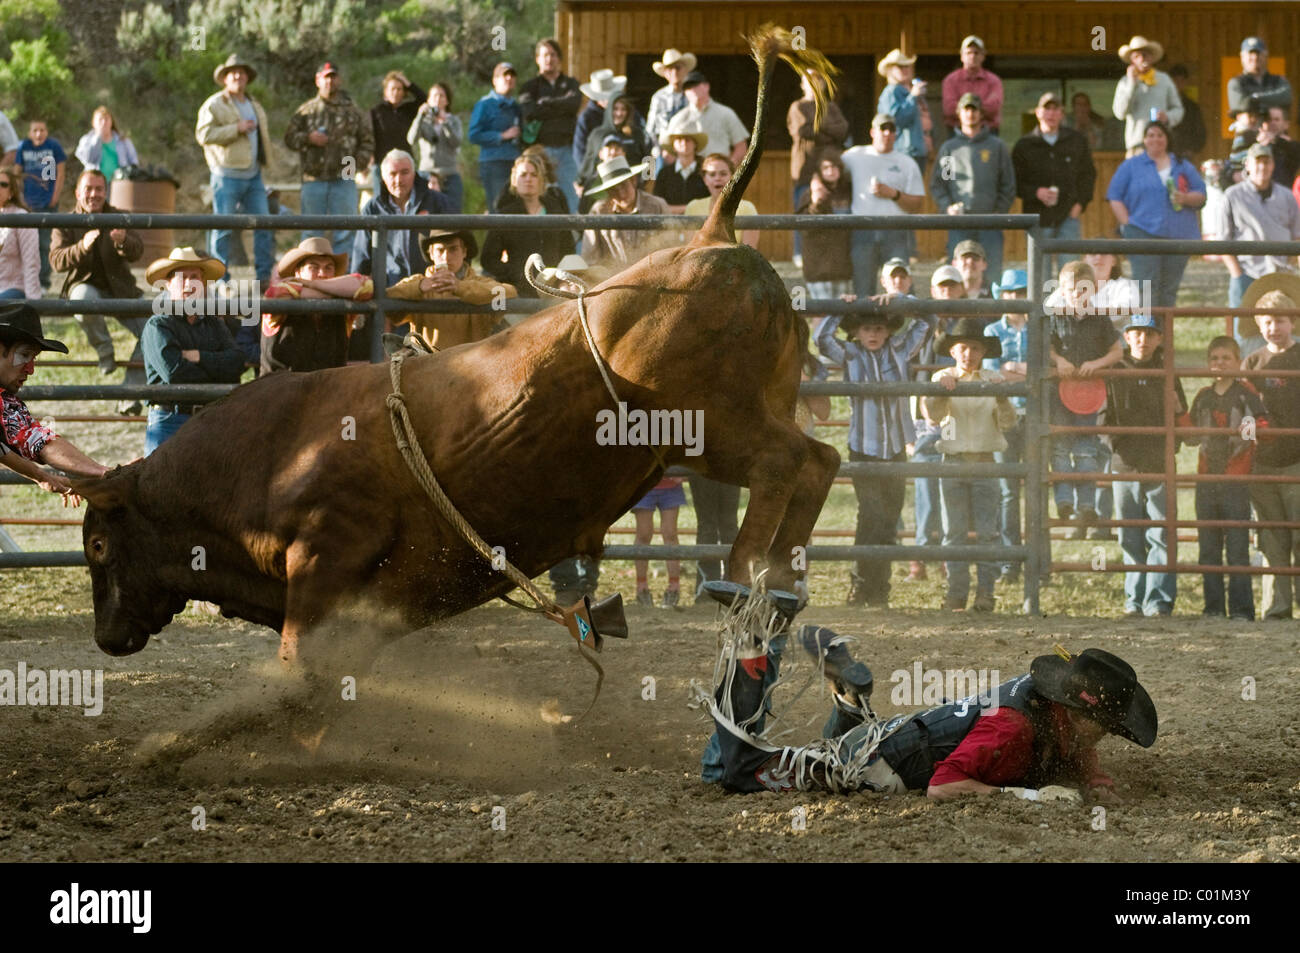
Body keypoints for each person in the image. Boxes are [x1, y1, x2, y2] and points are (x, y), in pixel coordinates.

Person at [704, 624, 1155, 802]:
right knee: (733, 775)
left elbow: (1072, 752)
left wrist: (1096, 782)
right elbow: (943, 788)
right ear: (1077, 712)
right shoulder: (1015, 727)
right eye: (1105, 727)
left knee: (840, 749)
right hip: (884, 768)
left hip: (896, 738)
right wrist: (1030, 797)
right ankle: (748, 652)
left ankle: (849, 702)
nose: (1105, 738)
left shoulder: (1048, 709)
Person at [816, 289, 934, 607]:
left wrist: (902, 300)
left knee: (889, 517)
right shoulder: (850, 354)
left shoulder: (899, 348)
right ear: (856, 331)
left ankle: (880, 587)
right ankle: (860, 583)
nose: (873, 334)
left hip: (895, 447)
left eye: (879, 328)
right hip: (864, 448)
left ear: (889, 330)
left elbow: (926, 322)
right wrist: (841, 307)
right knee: (870, 514)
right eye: (867, 328)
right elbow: (822, 338)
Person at [924, 318, 1016, 612]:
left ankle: (986, 593)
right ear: (953, 351)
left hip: (985, 461)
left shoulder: (993, 380)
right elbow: (934, 418)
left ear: (983, 352)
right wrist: (941, 391)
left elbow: (1008, 423)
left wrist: (1001, 398)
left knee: (988, 532)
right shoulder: (942, 377)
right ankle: (957, 592)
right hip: (953, 460)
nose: (968, 354)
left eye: (975, 348)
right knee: (955, 532)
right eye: (963, 347)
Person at [1105, 313, 1188, 617]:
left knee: (1161, 532)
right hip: (1125, 463)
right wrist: (1119, 448)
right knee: (1130, 534)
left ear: (1159, 339)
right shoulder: (1115, 371)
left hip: (1158, 461)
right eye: (1136, 333)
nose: (1142, 339)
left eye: (1149, 333)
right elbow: (1104, 417)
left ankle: (1159, 600)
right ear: (1126, 337)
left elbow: (1181, 413)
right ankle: (1134, 599)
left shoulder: (1167, 371)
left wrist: (1169, 439)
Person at [48, 169, 148, 406]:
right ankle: (105, 352)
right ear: (77, 193)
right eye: (88, 189)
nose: (94, 194)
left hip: (122, 291)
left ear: (106, 191)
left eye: (99, 189)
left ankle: (129, 394)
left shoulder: (119, 216)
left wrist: (123, 241)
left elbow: (138, 251)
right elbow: (56, 260)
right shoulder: (65, 222)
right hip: (85, 289)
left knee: (153, 330)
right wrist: (82, 246)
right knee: (82, 298)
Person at [1185, 336, 1267, 620]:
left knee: (1237, 548)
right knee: (1208, 548)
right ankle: (1213, 608)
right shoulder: (1204, 396)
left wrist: (1254, 433)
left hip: (1236, 479)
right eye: (1215, 358)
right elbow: (1191, 435)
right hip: (1207, 479)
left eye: (1226, 358)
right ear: (1209, 363)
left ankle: (1242, 609)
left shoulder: (1246, 394)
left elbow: (1263, 424)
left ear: (1238, 361)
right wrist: (1175, 410)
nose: (1220, 363)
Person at [139, 248, 245, 454]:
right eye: (181, 277)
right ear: (168, 284)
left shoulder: (214, 323)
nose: (189, 284)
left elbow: (238, 362)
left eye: (195, 277)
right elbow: (175, 374)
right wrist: (217, 369)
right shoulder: (158, 325)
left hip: (210, 416)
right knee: (162, 483)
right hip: (171, 418)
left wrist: (198, 357)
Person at [0, 303, 110, 493]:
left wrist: (103, 472)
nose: (30, 369)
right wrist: (40, 475)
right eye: (24, 355)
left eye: (33, 358)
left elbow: (35, 438)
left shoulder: (5, 403)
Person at [1240, 278, 1300, 620]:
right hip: (1262, 462)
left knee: (1298, 535)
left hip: (1297, 460)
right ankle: (1277, 608)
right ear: (1258, 325)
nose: (1273, 327)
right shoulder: (1252, 363)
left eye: (1279, 320)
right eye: (1266, 321)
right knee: (1270, 536)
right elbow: (1244, 411)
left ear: (1292, 321)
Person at [1049, 261, 1124, 530]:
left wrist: (1098, 363)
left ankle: (1087, 505)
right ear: (1062, 290)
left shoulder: (1100, 319)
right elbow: (1045, 347)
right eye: (1071, 289)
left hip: (1088, 394)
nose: (1077, 295)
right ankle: (1064, 502)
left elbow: (1118, 352)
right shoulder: (1055, 317)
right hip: (1059, 392)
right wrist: (1058, 361)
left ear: (1092, 289)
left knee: (1085, 448)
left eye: (1083, 289)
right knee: (1058, 446)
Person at [196, 54, 275, 299]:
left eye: (241, 72)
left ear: (247, 77)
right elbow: (203, 134)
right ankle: (220, 280)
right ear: (224, 78)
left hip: (254, 175)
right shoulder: (214, 104)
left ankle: (264, 278)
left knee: (264, 224)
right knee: (223, 227)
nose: (237, 77)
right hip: (225, 175)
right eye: (232, 73)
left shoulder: (254, 104)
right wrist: (236, 129)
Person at [906, 264, 966, 582]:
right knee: (926, 488)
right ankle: (921, 555)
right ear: (932, 291)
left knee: (951, 486)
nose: (947, 292)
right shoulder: (920, 326)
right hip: (925, 415)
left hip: (957, 413)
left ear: (961, 290)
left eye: (952, 287)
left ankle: (947, 556)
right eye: (941, 287)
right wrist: (909, 425)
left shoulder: (969, 325)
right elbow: (909, 373)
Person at [1106, 120, 1205, 310]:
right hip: (1141, 233)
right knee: (1146, 288)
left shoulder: (1183, 166)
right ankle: (1143, 335)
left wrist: (1184, 198)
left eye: (1160, 135)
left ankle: (1164, 337)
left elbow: (1201, 195)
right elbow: (1114, 196)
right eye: (1150, 135)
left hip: (1179, 234)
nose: (1155, 139)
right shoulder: (1131, 165)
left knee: (1169, 290)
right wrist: (1127, 223)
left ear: (1167, 139)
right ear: (1144, 139)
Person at [284, 62, 375, 255]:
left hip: (344, 175)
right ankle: (310, 275)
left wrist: (355, 164)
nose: (330, 81)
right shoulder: (306, 111)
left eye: (333, 77)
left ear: (339, 80)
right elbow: (289, 138)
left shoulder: (352, 110)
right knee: (311, 230)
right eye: (325, 77)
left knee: (346, 230)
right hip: (313, 178)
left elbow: (367, 141)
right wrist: (309, 138)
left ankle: (345, 276)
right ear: (318, 80)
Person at [1214, 143, 1300, 347]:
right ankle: (1244, 374)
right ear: (1248, 165)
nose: (1262, 167)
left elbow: (1296, 236)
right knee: (1244, 333)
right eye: (1258, 162)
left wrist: (1290, 265)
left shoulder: (1286, 196)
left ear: (1272, 166)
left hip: (1281, 274)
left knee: (1287, 328)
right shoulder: (1232, 196)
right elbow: (1222, 240)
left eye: (1266, 161)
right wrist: (1237, 273)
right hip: (1247, 272)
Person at [387, 228, 517, 351]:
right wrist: (419, 287)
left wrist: (460, 287)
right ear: (431, 254)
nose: (446, 257)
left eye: (453, 249)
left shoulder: (480, 283)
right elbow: (388, 298)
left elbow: (509, 293)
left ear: (464, 252)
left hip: (471, 364)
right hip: (428, 365)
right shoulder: (417, 283)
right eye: (440, 250)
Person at [930, 93, 1015, 280]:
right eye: (966, 109)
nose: (970, 114)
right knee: (957, 277)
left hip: (990, 224)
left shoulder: (996, 146)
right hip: (959, 224)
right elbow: (940, 184)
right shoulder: (950, 149)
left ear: (981, 114)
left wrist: (998, 212)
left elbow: (1007, 184)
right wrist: (947, 207)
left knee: (992, 276)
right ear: (959, 114)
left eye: (974, 109)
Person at [839, 113, 924, 297]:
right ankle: (866, 325)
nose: (887, 133)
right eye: (882, 128)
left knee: (900, 286)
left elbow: (917, 204)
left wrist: (893, 194)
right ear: (872, 132)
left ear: (896, 134)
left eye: (891, 129)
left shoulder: (907, 163)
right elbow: (830, 170)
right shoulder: (854, 155)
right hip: (862, 229)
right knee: (863, 286)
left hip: (896, 230)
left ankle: (904, 324)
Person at [260, 237, 373, 375]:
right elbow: (275, 293)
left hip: (327, 390)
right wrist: (333, 291)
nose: (322, 274)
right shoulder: (282, 293)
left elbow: (366, 287)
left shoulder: (340, 297)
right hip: (281, 390)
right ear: (298, 272)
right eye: (314, 267)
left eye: (328, 268)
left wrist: (311, 284)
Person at [1013, 91, 1096, 276]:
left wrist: (1080, 204)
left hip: (1068, 216)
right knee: (1039, 276)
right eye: (1046, 109)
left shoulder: (1076, 141)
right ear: (1037, 112)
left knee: (1072, 274)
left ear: (1062, 113)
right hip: (1037, 219)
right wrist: (1035, 192)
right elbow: (1014, 182)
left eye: (1055, 109)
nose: (1051, 113)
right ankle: (1042, 307)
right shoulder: (1024, 144)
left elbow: (1088, 176)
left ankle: (1067, 307)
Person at [351, 148, 452, 290]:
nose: (398, 180)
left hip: (433, 287)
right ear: (383, 177)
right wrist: (357, 292)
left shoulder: (438, 202)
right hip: (389, 290)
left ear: (414, 174)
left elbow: (457, 245)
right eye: (392, 174)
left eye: (405, 172)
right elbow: (362, 256)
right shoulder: (372, 208)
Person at [984, 269, 1029, 585]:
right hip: (1005, 415)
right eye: (1009, 292)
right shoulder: (990, 330)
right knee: (1008, 492)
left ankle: (1038, 562)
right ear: (1001, 295)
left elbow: (1045, 371)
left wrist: (1011, 369)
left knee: (1037, 487)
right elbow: (991, 375)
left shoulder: (1040, 326)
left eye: (1020, 291)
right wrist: (1027, 374)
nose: (1014, 297)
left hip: (1033, 415)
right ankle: (1011, 562)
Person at [481, 153, 574, 295]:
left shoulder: (555, 209)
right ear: (514, 180)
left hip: (554, 289)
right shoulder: (506, 215)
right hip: (519, 290)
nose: (528, 179)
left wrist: (561, 277)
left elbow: (568, 248)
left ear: (541, 180)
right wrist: (514, 274)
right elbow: (488, 258)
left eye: (534, 175)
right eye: (523, 175)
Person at [518, 39, 584, 215]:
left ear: (559, 58)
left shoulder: (571, 84)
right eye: (545, 55)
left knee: (572, 200)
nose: (549, 59)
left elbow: (573, 104)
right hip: (541, 152)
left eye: (553, 54)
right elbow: (530, 111)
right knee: (543, 197)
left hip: (567, 150)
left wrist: (546, 103)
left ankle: (575, 242)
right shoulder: (530, 87)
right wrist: (560, 105)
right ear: (537, 59)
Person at [584, 155, 672, 272]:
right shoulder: (598, 212)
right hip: (614, 280)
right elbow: (590, 258)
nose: (621, 194)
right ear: (607, 192)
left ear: (633, 181)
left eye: (624, 186)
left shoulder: (657, 206)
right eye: (613, 190)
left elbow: (671, 247)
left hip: (654, 275)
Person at [787, 70, 848, 216]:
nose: (815, 83)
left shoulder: (831, 107)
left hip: (829, 176)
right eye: (810, 80)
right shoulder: (797, 107)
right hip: (805, 173)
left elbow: (842, 130)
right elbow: (804, 131)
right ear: (803, 84)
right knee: (803, 219)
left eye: (819, 80)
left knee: (831, 221)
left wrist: (818, 127)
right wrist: (829, 131)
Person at [15, 120, 65, 291]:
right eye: (35, 130)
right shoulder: (24, 147)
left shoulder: (53, 147)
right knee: (27, 244)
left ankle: (43, 282)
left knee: (45, 243)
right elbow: (17, 172)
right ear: (30, 132)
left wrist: (55, 196)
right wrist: (19, 197)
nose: (39, 134)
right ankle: (27, 281)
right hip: (28, 204)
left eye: (42, 130)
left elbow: (61, 171)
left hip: (47, 203)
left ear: (47, 131)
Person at [1112, 37, 1183, 156]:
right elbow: (1120, 113)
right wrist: (1131, 85)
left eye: (1145, 55)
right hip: (1137, 145)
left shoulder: (1164, 79)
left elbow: (1178, 109)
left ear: (1152, 58)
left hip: (1160, 144)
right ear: (1131, 60)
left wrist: (1168, 117)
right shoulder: (1124, 82)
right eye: (1137, 56)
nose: (1141, 59)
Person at [665, 72, 749, 167]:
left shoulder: (726, 113)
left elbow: (741, 147)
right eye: (688, 88)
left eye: (696, 85)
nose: (692, 90)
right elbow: (668, 152)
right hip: (691, 176)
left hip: (719, 175)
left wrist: (727, 170)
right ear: (684, 93)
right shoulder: (678, 118)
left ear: (707, 86)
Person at [797, 156, 853, 299]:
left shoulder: (848, 192)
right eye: (826, 168)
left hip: (842, 266)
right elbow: (804, 227)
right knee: (821, 315)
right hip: (818, 267)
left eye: (834, 167)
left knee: (842, 314)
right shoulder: (809, 194)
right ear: (819, 172)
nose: (831, 171)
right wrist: (816, 202)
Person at [369, 70, 426, 198]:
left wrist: (408, 84)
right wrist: (370, 157)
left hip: (405, 162)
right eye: (393, 89)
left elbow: (424, 99)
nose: (396, 92)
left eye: (400, 89)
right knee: (381, 200)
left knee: (407, 198)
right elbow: (370, 135)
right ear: (386, 91)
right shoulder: (376, 111)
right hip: (382, 163)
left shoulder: (409, 110)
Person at [408, 83, 464, 213]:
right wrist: (419, 116)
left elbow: (456, 142)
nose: (437, 99)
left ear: (447, 100)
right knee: (425, 213)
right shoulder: (424, 121)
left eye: (441, 96)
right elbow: (411, 139)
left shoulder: (453, 121)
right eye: (434, 96)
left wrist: (445, 124)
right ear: (428, 100)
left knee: (452, 212)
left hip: (449, 173)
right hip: (426, 173)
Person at [631, 476, 686, 608]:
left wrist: (683, 471)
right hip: (644, 485)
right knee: (643, 534)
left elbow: (692, 454)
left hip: (671, 487)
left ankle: (674, 587)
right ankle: (641, 587)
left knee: (670, 534)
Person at [684, 153, 757, 248]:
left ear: (733, 177)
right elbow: (689, 249)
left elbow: (749, 253)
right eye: (712, 174)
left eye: (723, 174)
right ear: (705, 180)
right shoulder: (693, 207)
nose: (717, 178)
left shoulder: (748, 208)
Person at [876, 49, 930, 176]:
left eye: (907, 66)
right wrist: (912, 97)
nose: (905, 70)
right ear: (889, 70)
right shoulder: (891, 92)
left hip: (918, 151)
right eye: (900, 67)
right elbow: (895, 120)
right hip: (903, 152)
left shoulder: (909, 91)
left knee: (914, 191)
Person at [579, 95, 652, 187]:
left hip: (634, 187)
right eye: (615, 109)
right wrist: (580, 182)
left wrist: (648, 183)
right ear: (609, 110)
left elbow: (649, 158)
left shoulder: (636, 133)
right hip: (603, 187)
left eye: (623, 109)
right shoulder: (598, 134)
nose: (619, 113)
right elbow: (589, 162)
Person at [646, 48, 695, 174]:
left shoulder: (693, 95)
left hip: (690, 149)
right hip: (663, 153)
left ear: (685, 70)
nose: (674, 72)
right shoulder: (658, 97)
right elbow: (650, 130)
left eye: (678, 68)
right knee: (652, 173)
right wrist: (663, 149)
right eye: (669, 69)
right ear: (665, 73)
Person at [941, 35, 1003, 133]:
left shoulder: (994, 80)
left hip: (988, 133)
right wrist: (979, 111)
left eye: (976, 53)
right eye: (969, 52)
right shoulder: (950, 80)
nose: (972, 56)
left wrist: (965, 110)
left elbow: (993, 108)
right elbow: (949, 109)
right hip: (957, 133)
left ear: (983, 56)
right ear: (962, 56)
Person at [0, 167, 41, 303]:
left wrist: (33, 301)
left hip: (13, 288)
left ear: (11, 192)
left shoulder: (21, 217)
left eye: (3, 185)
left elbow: (31, 261)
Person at [572, 69, 624, 173]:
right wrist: (585, 178)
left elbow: (647, 150)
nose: (619, 113)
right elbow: (579, 152)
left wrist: (648, 177)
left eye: (623, 110)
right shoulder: (588, 120)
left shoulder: (631, 117)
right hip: (599, 176)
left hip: (632, 178)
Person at [1227, 37, 1293, 117]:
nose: (1255, 57)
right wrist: (1272, 102)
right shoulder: (1236, 82)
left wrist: (1255, 98)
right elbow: (1240, 105)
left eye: (1258, 53)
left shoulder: (1278, 80)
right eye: (1250, 53)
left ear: (1266, 56)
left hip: (1274, 128)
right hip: (1248, 129)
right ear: (1242, 57)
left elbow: (1286, 97)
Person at [651, 125, 709, 213]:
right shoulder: (664, 173)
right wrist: (689, 209)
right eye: (679, 140)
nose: (684, 143)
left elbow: (711, 203)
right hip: (670, 224)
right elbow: (658, 205)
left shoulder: (706, 172)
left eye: (688, 140)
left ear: (695, 144)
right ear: (673, 146)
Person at [74, 106, 140, 179]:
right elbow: (88, 159)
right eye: (100, 119)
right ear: (93, 123)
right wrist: (98, 137)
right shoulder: (86, 140)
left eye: (106, 119)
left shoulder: (123, 141)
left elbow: (134, 162)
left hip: (119, 184)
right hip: (96, 184)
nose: (104, 122)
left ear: (111, 122)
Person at [1168, 65, 1207, 161]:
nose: (1178, 84)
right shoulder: (1163, 105)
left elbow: (1201, 133)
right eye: (1175, 80)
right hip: (1165, 154)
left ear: (1185, 82)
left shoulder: (1192, 107)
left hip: (1185, 155)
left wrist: (1192, 150)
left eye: (1181, 81)